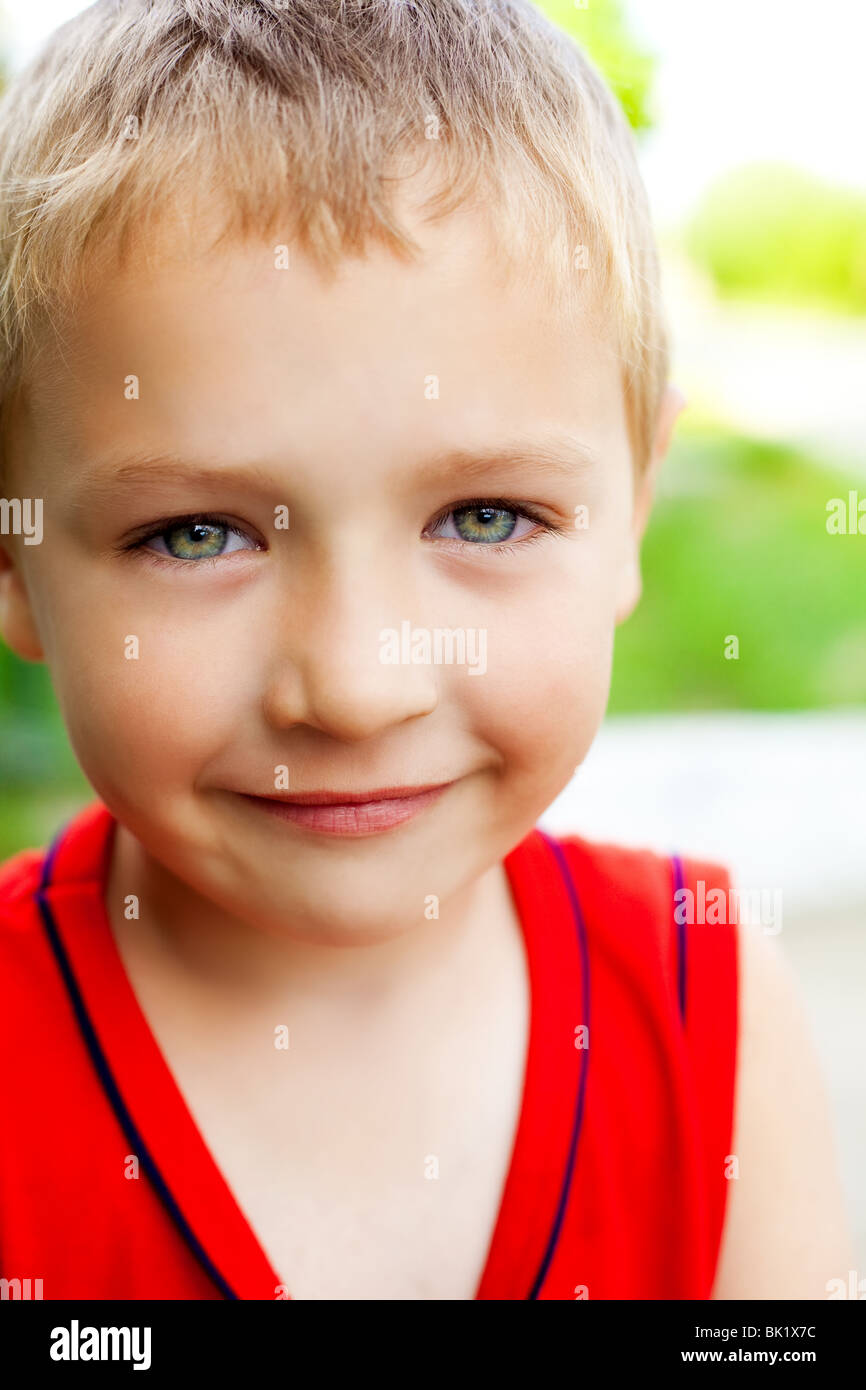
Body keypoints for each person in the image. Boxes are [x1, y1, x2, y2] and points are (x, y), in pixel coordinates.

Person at [0, 0, 853, 1300]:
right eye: (195, 535)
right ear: (13, 559)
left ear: (630, 513)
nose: (355, 682)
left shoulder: (710, 1013)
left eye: (486, 516)